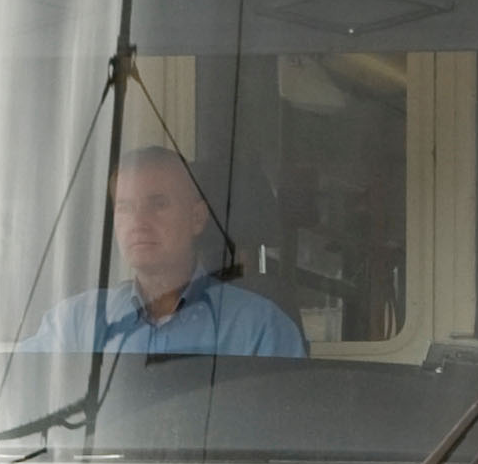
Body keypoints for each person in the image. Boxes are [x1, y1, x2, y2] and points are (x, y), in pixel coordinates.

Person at [26, 145, 303, 362]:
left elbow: (285, 431)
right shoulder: (74, 325)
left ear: (197, 218)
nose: (138, 222)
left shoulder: (260, 328)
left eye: (157, 204)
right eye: (124, 208)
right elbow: (14, 403)